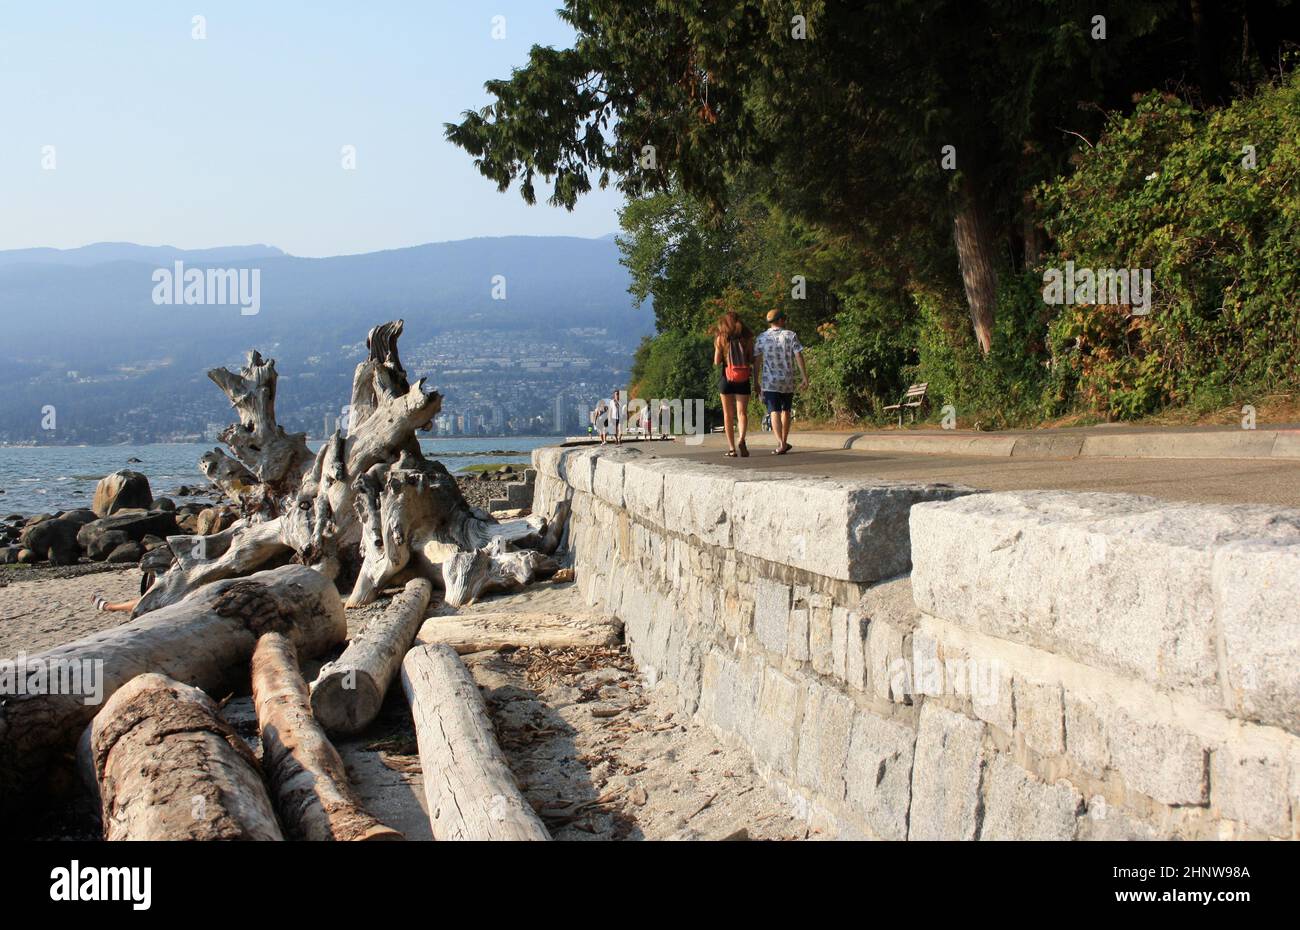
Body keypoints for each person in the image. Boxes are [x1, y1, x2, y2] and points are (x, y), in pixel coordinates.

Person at [753, 309, 808, 455]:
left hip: (770, 382)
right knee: (786, 410)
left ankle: (781, 442)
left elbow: (757, 362)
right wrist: (804, 377)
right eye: (784, 318)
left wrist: (755, 382)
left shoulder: (762, 338)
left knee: (773, 411)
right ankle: (784, 440)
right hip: (787, 380)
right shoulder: (791, 335)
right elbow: (798, 356)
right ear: (780, 320)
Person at [712, 310, 754, 457]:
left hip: (726, 378)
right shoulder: (747, 337)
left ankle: (731, 448)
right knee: (742, 413)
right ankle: (741, 438)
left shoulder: (720, 338)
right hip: (743, 377)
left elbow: (717, 362)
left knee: (727, 415)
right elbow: (751, 358)